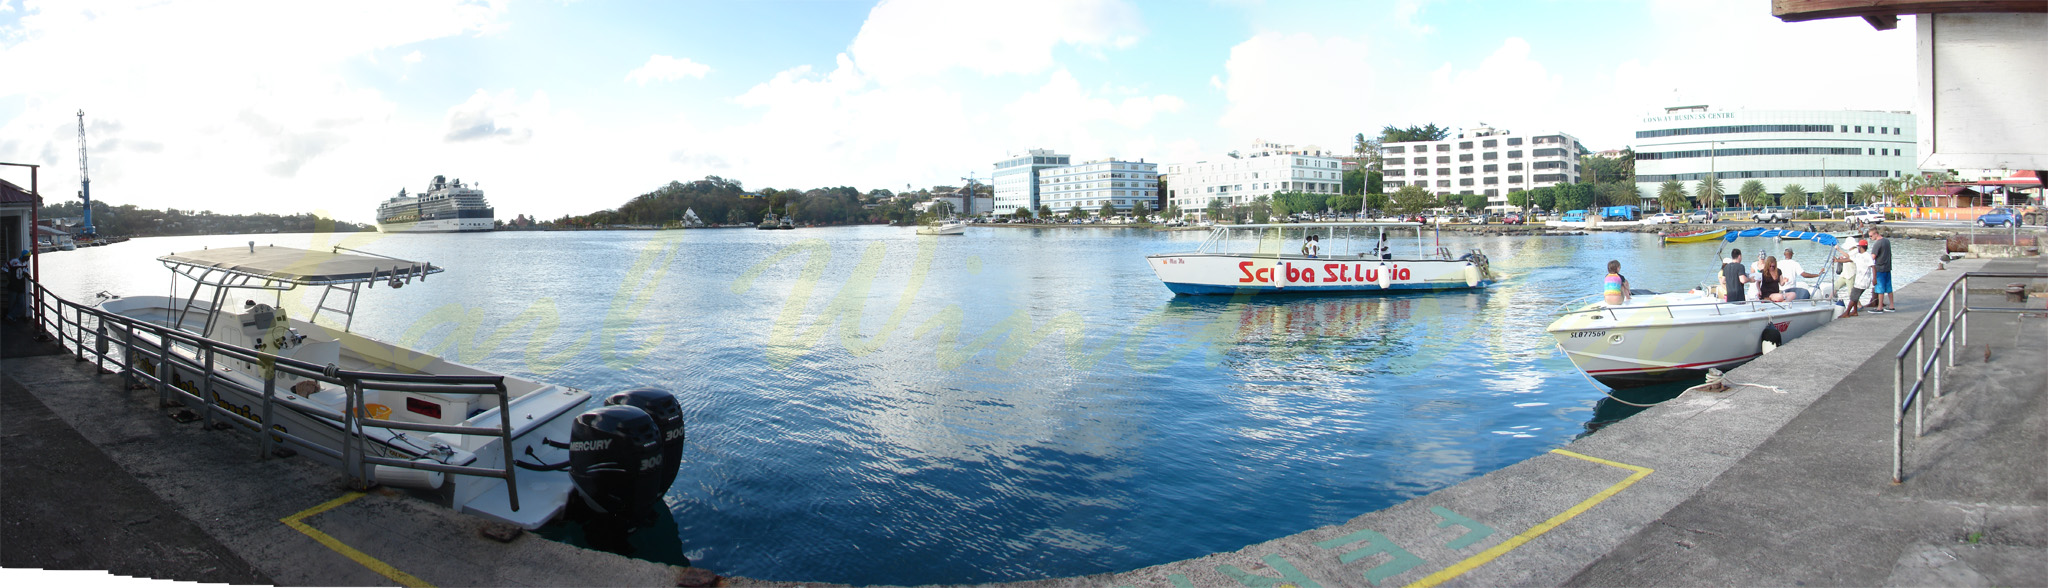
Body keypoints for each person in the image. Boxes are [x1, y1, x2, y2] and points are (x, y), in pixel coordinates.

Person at [1834, 240, 1874, 316]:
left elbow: (1873, 266)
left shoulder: (1867, 256)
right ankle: (1855, 311)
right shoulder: (1858, 255)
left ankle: (1847, 312)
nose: (1858, 248)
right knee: (1854, 295)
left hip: (1863, 280)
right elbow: (1849, 259)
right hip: (1858, 280)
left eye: (1859, 246)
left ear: (1861, 247)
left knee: (1853, 296)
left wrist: (1874, 278)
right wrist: (1838, 260)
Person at [1867, 228, 1894, 313]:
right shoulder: (1887, 241)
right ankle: (1892, 306)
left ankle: (1880, 307)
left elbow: (1872, 257)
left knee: (1880, 289)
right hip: (1888, 267)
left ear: (1876, 234)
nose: (1870, 238)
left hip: (1880, 268)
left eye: (1871, 236)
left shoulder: (1877, 244)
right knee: (1889, 288)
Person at [5, 249, 29, 323]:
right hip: (13, 286)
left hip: (20, 286)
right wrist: (9, 277)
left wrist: (27, 275)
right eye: (27, 257)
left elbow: (25, 272)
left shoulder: (25, 264)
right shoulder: (14, 261)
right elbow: (5, 268)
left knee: (21, 303)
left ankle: (10, 316)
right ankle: (10, 317)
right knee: (11, 303)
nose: (28, 258)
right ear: (23, 256)